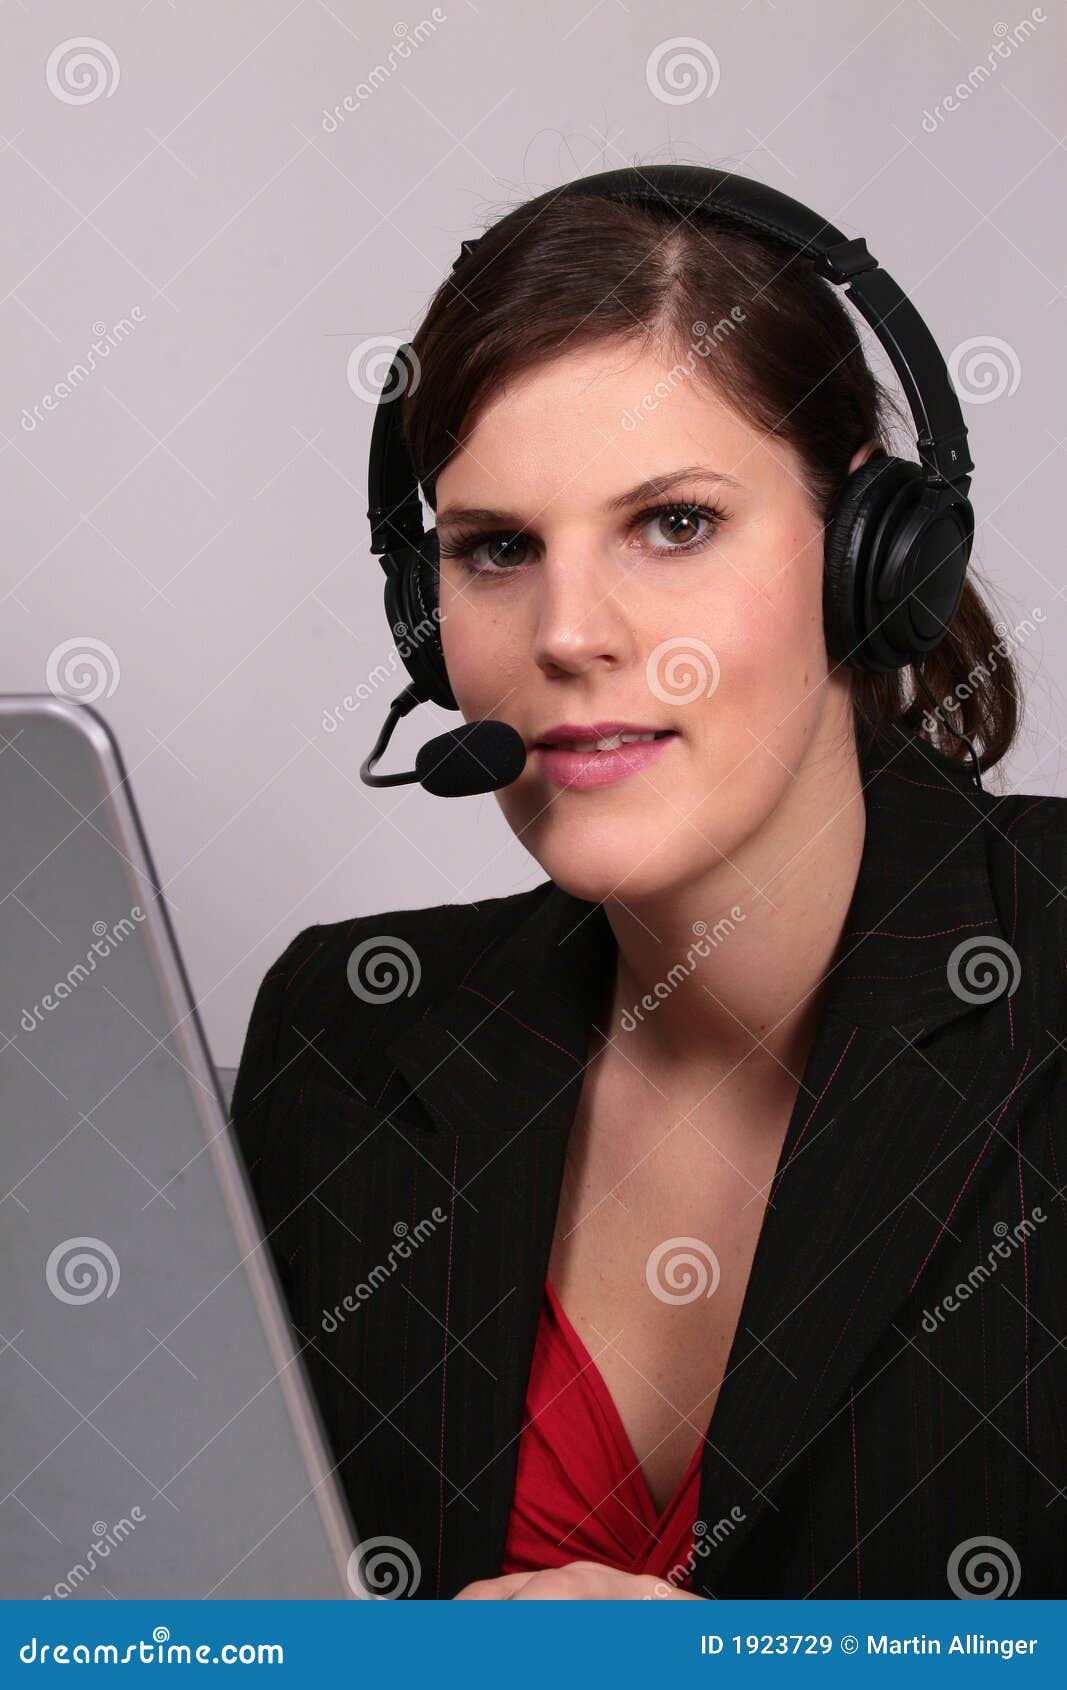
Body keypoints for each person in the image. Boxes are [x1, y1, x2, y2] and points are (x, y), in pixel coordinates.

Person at [230, 179, 1066, 1601]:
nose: (569, 635)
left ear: (874, 558)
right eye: (497, 549)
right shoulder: (345, 1031)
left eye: (673, 524)